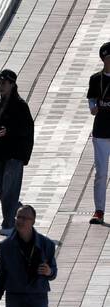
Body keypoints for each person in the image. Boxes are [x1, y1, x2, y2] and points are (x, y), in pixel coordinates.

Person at [0, 69, 35, 235]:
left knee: (9, 187)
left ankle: (9, 224)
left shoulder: (20, 106)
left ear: (12, 84)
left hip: (15, 154)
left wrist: (9, 132)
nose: (1, 86)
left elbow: (26, 128)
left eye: (4, 83)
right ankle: (21, 212)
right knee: (0, 187)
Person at [89, 43, 110, 224]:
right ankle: (99, 210)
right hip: (102, 131)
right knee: (101, 172)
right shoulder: (96, 79)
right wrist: (93, 107)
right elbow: (91, 99)